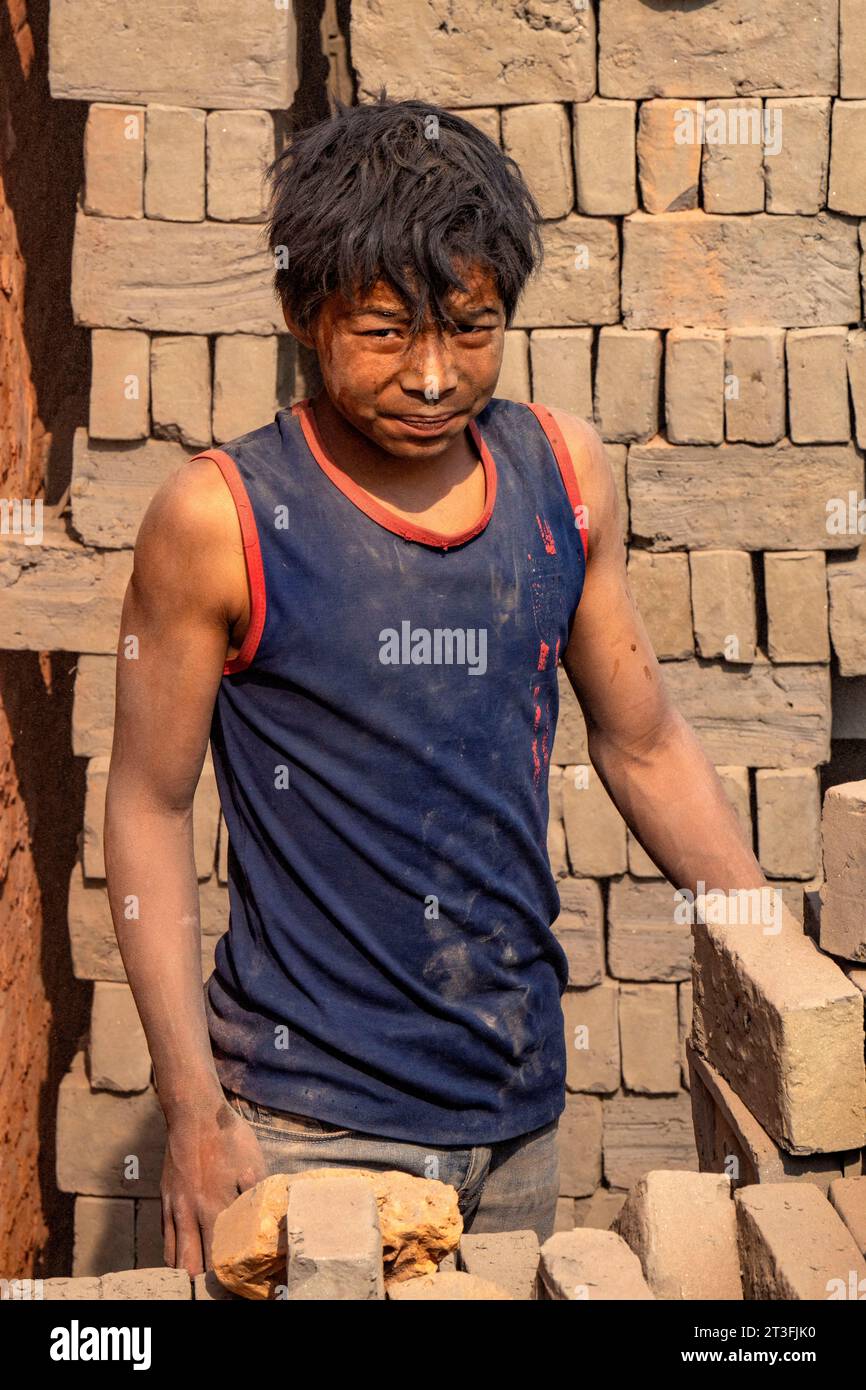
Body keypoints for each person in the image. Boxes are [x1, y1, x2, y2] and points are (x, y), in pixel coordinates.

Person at [104, 95, 771, 1276]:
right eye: (383, 332)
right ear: (302, 313)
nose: (429, 377)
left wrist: (774, 962)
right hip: (307, 1130)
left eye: (469, 330)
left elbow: (644, 743)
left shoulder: (562, 475)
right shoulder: (220, 520)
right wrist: (195, 1111)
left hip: (514, 1122)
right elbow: (148, 808)